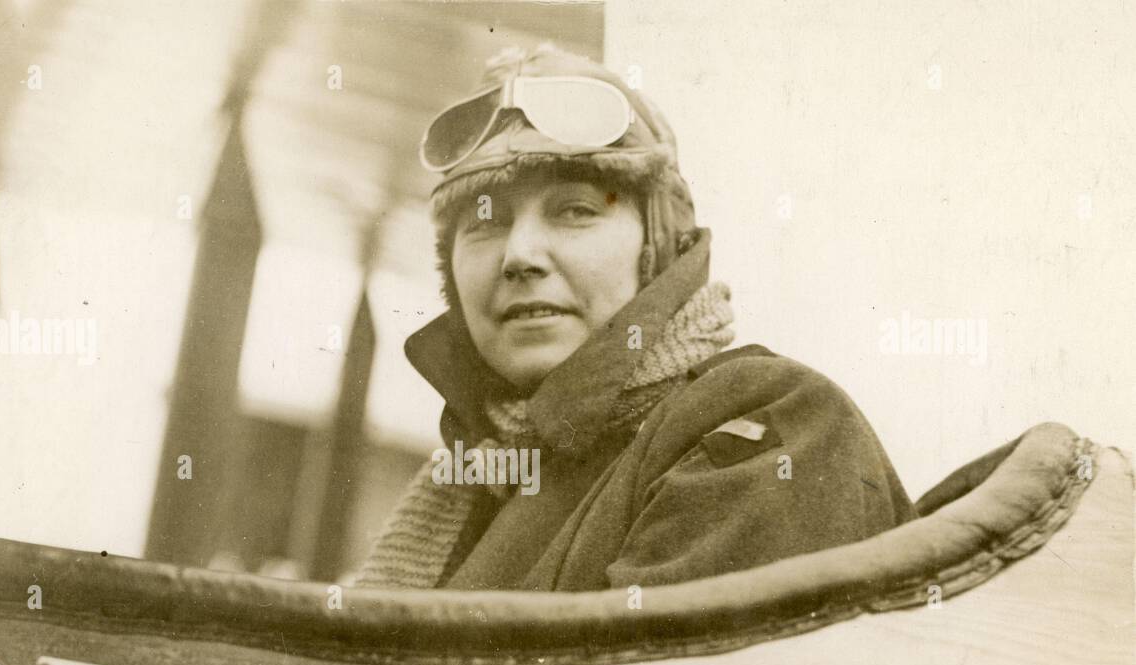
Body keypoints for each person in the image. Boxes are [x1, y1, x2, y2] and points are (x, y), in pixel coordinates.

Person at [356, 43, 914, 591]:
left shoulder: (770, 425)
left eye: (575, 211)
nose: (519, 255)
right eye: (486, 222)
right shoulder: (477, 479)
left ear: (659, 250)